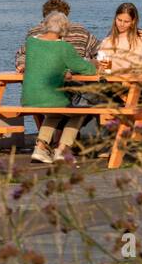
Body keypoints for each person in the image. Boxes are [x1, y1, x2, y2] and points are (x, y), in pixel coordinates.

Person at [21, 11, 98, 164]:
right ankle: (62, 149)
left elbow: (45, 64)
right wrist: (95, 64)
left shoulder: (31, 42)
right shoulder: (64, 47)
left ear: (46, 25)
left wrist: (63, 70)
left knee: (55, 112)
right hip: (51, 97)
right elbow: (87, 70)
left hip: (28, 98)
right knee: (79, 111)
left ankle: (40, 147)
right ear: (64, 30)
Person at [15, 0, 100, 72]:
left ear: (45, 17)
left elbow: (22, 55)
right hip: (77, 81)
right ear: (66, 16)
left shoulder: (34, 35)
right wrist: (93, 63)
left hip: (44, 81)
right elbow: (99, 51)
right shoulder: (81, 31)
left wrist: (22, 65)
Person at [97, 2, 142, 72]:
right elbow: (107, 70)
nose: (122, 24)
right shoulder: (107, 42)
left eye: (126, 21)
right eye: (119, 20)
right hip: (113, 81)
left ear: (133, 22)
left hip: (137, 81)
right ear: (115, 18)